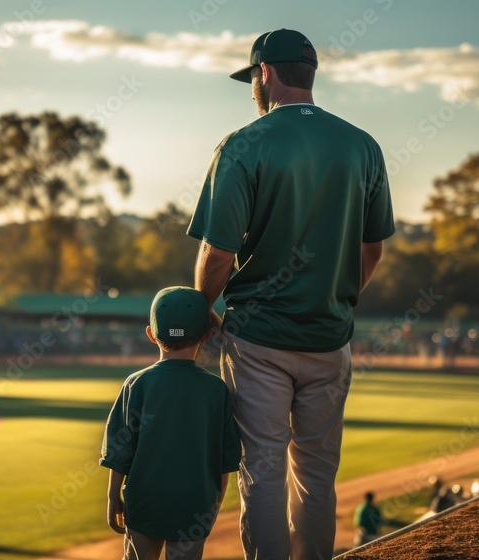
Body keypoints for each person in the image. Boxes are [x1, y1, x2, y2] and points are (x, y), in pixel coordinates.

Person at [188, 28, 394, 560]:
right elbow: (373, 251)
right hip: (330, 336)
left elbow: (218, 253)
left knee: (263, 469)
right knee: (318, 476)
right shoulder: (363, 144)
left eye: (252, 79)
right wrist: (340, 296)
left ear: (265, 74)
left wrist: (204, 310)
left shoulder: (243, 144)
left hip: (259, 337)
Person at [100, 287, 242, 560]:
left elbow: (119, 451)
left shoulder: (137, 384)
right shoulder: (217, 390)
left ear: (151, 335)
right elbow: (225, 460)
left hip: (145, 501)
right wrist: (215, 504)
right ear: (206, 335)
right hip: (195, 505)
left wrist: (112, 498)